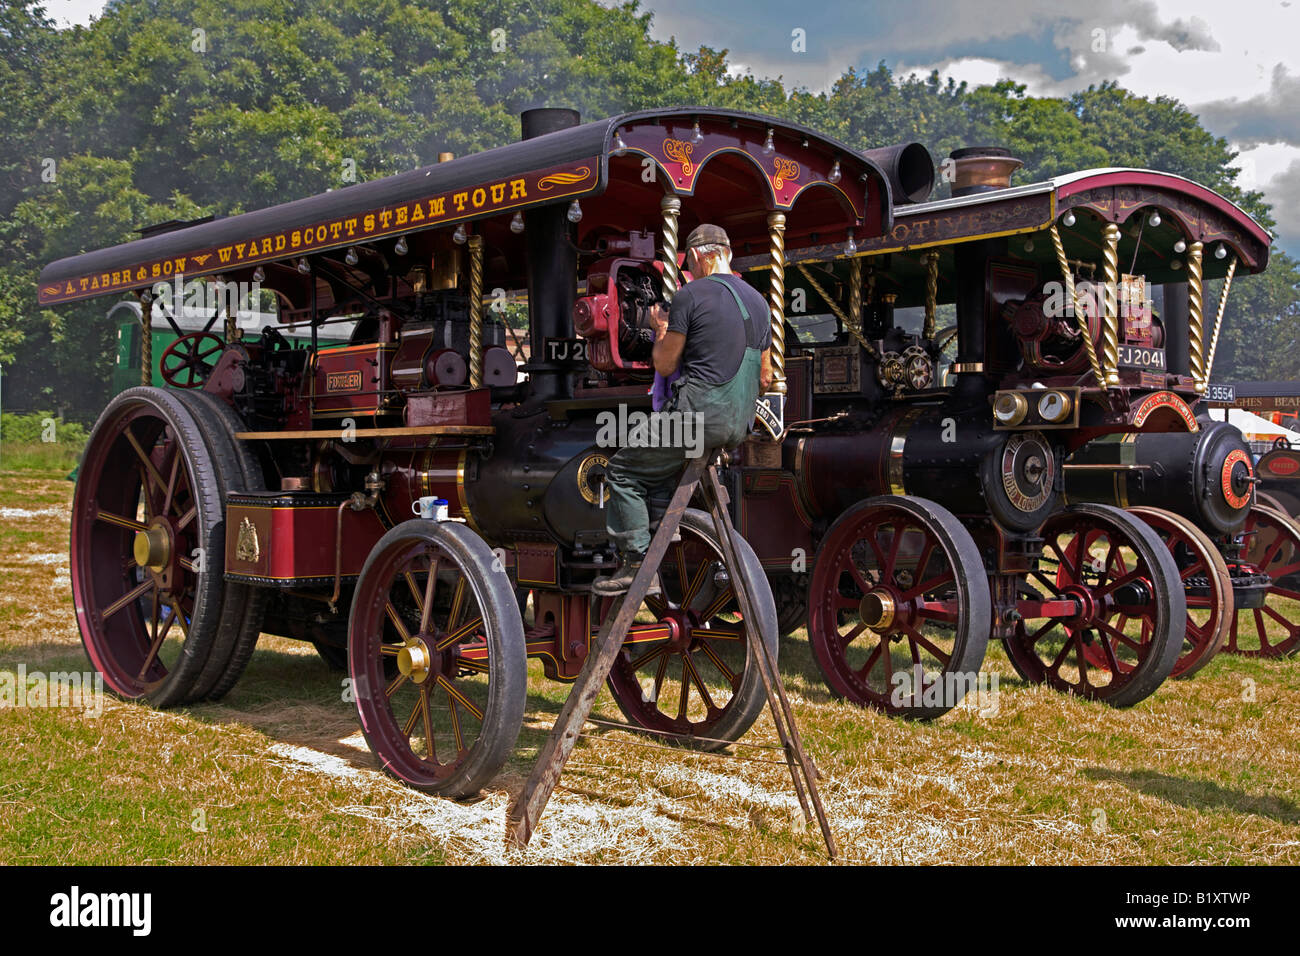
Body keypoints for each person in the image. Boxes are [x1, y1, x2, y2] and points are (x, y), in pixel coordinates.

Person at [593, 223, 773, 596]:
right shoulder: (759, 301)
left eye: (689, 262)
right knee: (659, 459)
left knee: (624, 471)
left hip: (695, 422)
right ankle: (665, 519)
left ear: (704, 255)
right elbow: (767, 378)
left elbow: (664, 364)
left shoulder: (690, 295)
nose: (690, 270)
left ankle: (636, 565)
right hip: (738, 426)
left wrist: (660, 328)